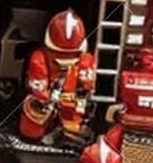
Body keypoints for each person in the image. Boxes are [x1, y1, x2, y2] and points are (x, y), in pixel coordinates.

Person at [20, 9, 96, 143]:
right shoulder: (39, 59)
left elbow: (88, 87)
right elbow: (38, 89)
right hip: (47, 103)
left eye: (72, 56)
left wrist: (79, 98)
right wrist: (50, 100)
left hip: (73, 105)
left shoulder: (87, 60)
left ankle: (67, 133)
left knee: (81, 129)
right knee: (30, 131)